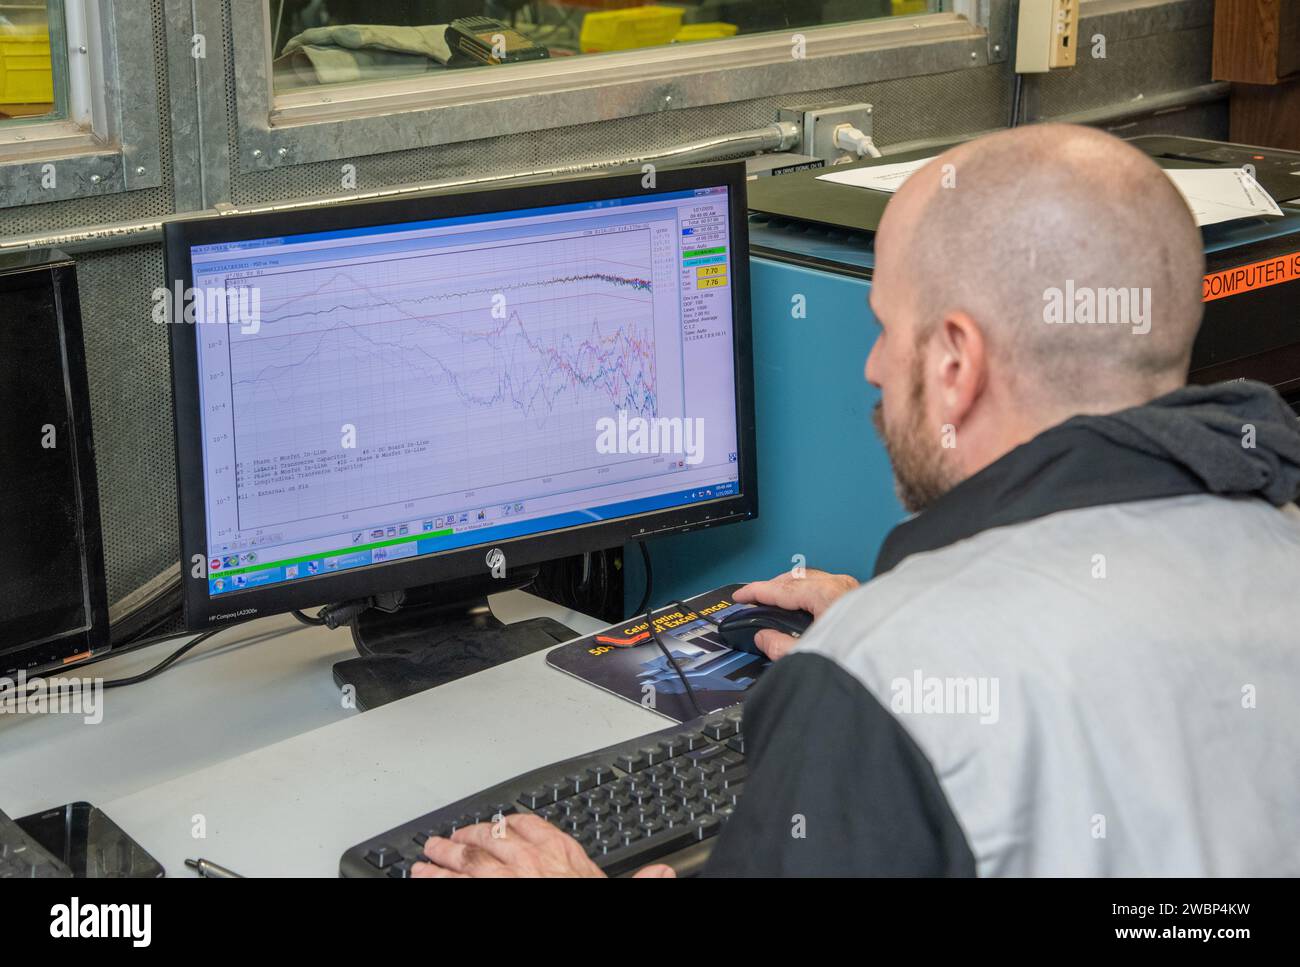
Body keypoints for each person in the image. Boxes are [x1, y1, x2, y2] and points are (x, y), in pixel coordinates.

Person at [412, 123, 1300, 878]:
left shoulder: (877, 695)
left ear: (955, 360)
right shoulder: (1274, 546)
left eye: (885, 329)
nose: (873, 369)